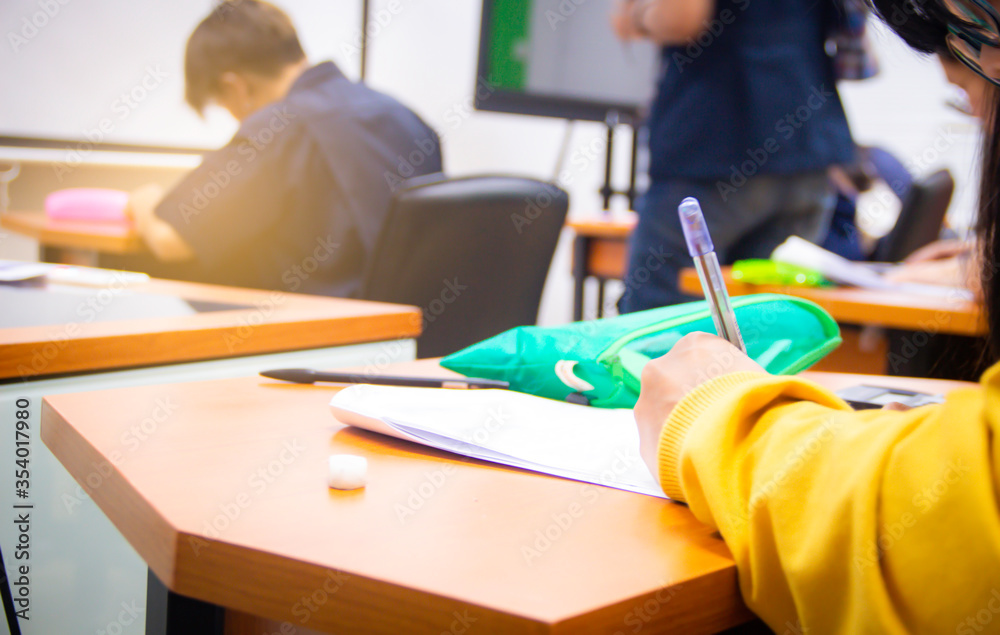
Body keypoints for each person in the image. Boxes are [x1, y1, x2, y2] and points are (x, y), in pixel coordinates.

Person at [633, 0, 1000, 632]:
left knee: (654, 347)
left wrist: (717, 414)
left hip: (717, 136)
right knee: (774, 328)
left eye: (972, 33)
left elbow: (681, 16)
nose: (954, 75)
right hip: (806, 139)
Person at [122, 0, 442, 297]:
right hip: (409, 333)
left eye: (223, 105)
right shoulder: (404, 115)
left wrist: (143, 200)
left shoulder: (278, 126)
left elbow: (171, 239)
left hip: (316, 337)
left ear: (236, 86)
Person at [611, 0, 854, 312]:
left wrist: (637, 17)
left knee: (660, 329)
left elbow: (682, 18)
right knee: (763, 331)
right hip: (807, 146)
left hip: (715, 145)